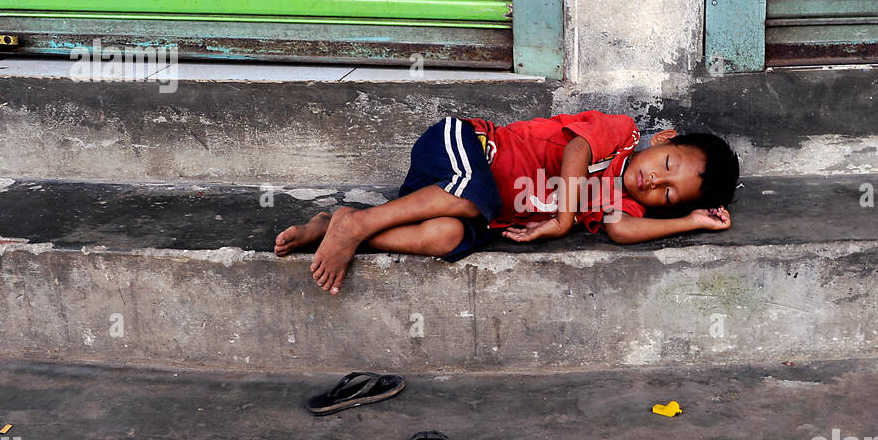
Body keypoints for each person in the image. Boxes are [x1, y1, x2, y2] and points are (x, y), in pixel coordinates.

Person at [273, 111, 739, 294]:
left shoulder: (622, 202)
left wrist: (690, 223)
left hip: (462, 206)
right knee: (475, 199)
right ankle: (355, 227)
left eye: (668, 194)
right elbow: (577, 151)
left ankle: (345, 225)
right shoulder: (621, 135)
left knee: (446, 237)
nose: (655, 180)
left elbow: (622, 230)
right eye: (668, 163)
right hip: (466, 147)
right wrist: (562, 219)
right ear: (664, 138)